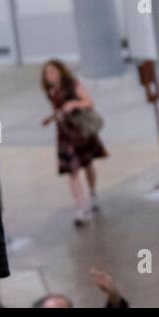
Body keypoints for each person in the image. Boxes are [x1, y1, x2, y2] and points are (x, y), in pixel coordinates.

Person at [40, 58, 108, 225]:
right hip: (65, 134)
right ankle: (81, 209)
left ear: (61, 72)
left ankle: (92, 194)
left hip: (80, 131)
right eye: (47, 73)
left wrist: (74, 104)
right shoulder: (51, 91)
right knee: (72, 171)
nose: (51, 75)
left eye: (53, 71)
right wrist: (50, 119)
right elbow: (58, 111)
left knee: (88, 165)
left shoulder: (72, 85)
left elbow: (89, 102)